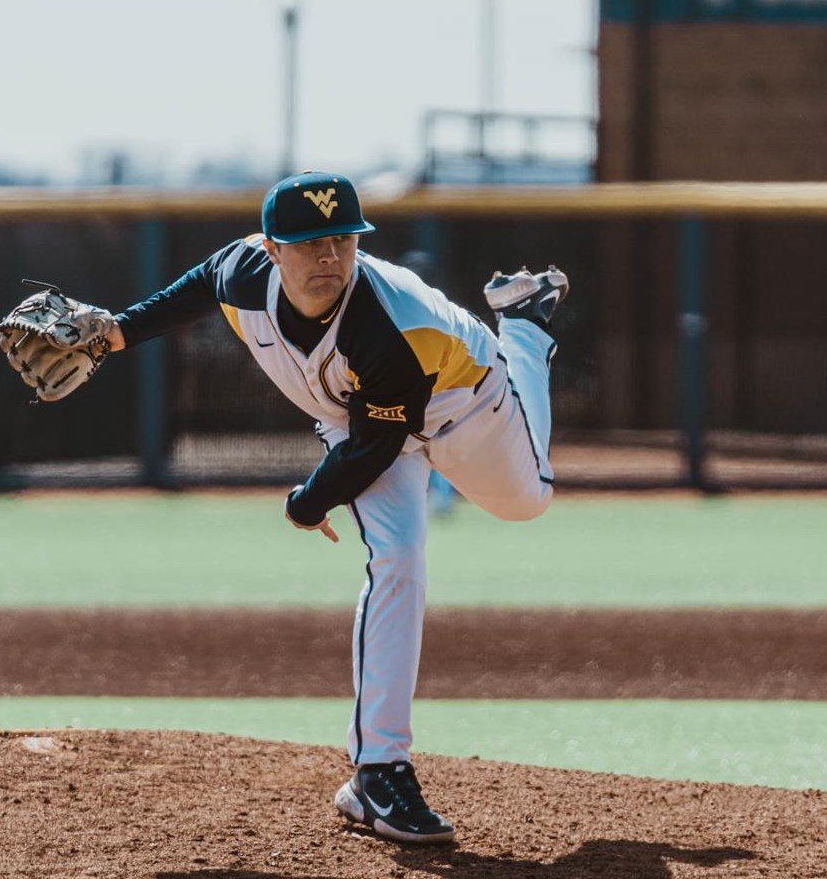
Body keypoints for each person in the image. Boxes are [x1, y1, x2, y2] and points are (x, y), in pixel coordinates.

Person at [103, 171, 567, 844]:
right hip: (363, 418)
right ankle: (379, 771)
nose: (328, 257)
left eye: (342, 241)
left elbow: (375, 450)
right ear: (270, 247)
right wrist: (114, 332)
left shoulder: (391, 326)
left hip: (462, 401)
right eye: (308, 243)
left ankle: (523, 325)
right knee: (400, 556)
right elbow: (200, 283)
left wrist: (306, 502)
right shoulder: (244, 273)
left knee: (530, 501)